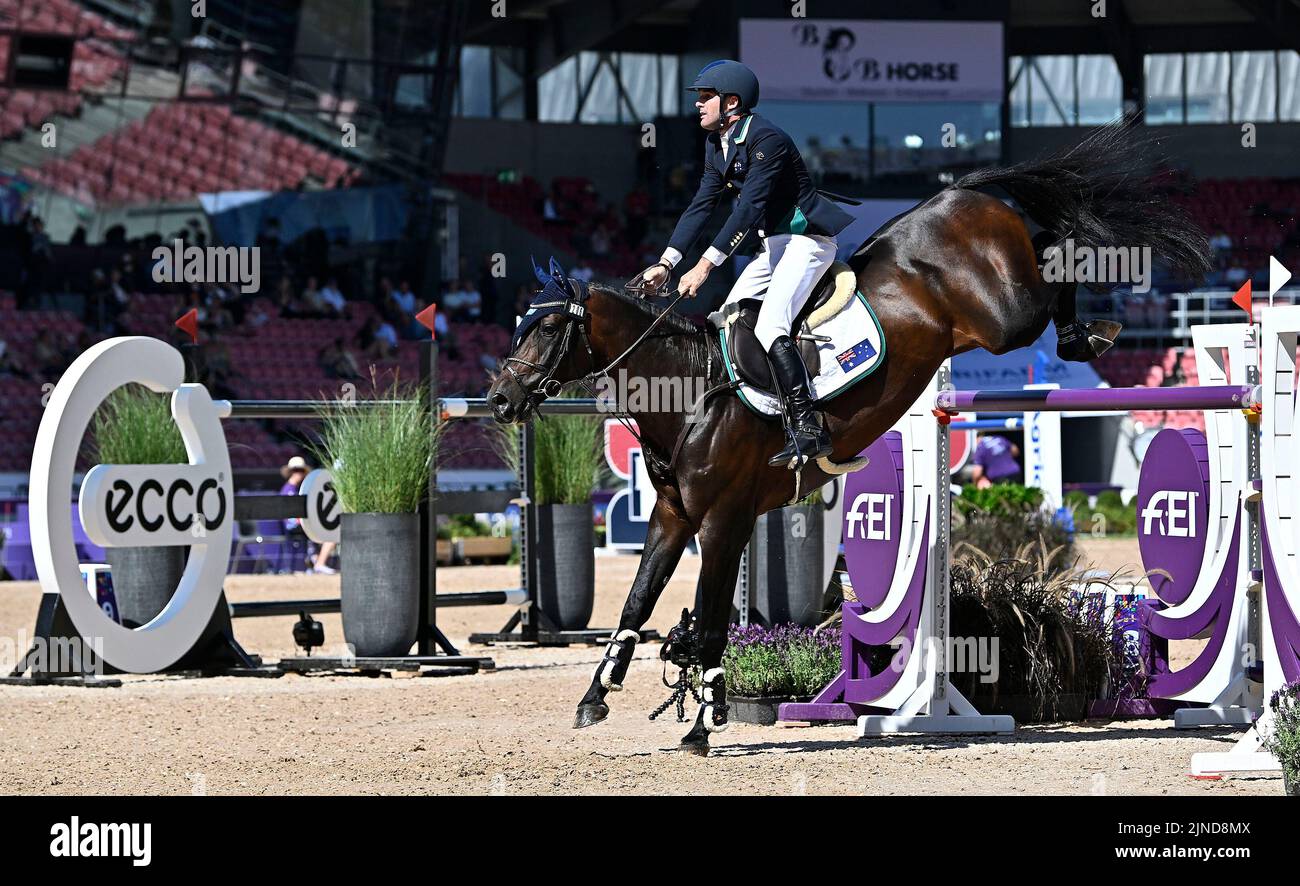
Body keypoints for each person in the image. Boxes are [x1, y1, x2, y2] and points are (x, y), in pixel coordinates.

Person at [635, 59, 854, 468]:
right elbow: (702, 206)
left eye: (705, 97)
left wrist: (703, 266)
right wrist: (666, 263)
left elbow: (748, 209)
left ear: (731, 102)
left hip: (809, 241)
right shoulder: (715, 145)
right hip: (775, 245)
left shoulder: (766, 139)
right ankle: (759, 411)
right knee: (727, 318)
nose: (698, 105)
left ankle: (809, 427)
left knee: (771, 324)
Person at [279, 456, 336, 574]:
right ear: (290, 472)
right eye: (296, 470)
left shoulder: (296, 489)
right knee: (330, 535)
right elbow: (291, 517)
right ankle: (319, 563)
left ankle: (315, 560)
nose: (299, 473)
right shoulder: (289, 490)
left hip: (299, 525)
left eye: (301, 470)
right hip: (294, 525)